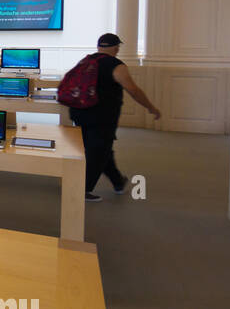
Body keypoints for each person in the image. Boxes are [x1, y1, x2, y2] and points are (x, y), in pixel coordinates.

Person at [69, 33, 162, 202]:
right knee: (98, 152)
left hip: (80, 113)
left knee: (101, 149)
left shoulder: (85, 61)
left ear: (99, 46)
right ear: (116, 47)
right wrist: (151, 107)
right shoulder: (116, 65)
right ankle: (83, 189)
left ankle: (118, 182)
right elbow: (133, 90)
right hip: (101, 117)